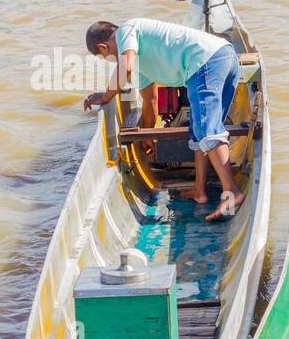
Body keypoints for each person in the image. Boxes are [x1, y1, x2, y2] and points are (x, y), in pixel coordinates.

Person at [84, 18, 244, 221]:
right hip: (223, 58)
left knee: (208, 131)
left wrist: (106, 97)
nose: (110, 60)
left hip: (206, 62)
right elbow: (150, 102)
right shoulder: (141, 61)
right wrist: (146, 136)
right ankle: (199, 191)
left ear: (103, 47)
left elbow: (126, 68)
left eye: (104, 57)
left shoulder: (126, 31)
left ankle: (232, 193)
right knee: (199, 132)